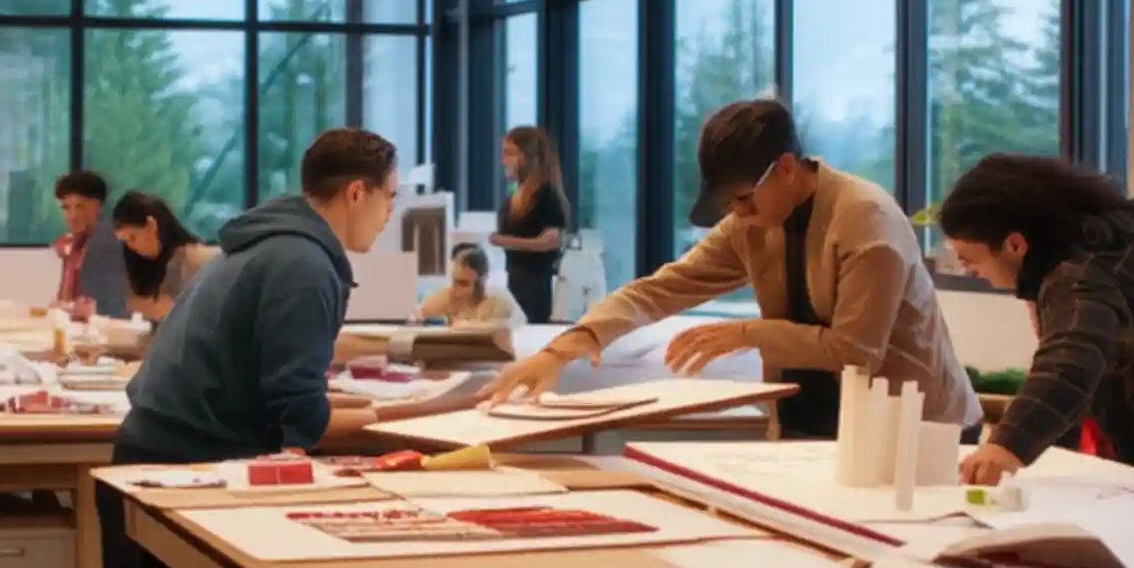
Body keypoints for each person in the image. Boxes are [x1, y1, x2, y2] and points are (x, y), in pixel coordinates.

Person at [109, 128, 402, 568]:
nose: (391, 214)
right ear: (356, 193)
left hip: (157, 450)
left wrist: (377, 408)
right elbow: (302, 417)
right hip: (192, 465)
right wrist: (411, 418)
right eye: (390, 198)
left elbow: (277, 390)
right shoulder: (305, 264)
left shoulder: (264, 243)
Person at [485, 99, 981, 440]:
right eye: (729, 203)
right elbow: (661, 289)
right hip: (812, 429)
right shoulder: (752, 220)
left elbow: (855, 350)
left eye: (744, 198)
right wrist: (565, 348)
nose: (737, 215)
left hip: (920, 436)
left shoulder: (865, 221)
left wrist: (746, 332)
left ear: (786, 168)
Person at [938, 154, 1134, 483]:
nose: (966, 269)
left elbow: (1071, 360)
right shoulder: (1111, 241)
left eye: (968, 258)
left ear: (1015, 244)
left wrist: (1004, 448)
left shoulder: (1080, 275)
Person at [490, 126, 571, 324]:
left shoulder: (545, 195)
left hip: (537, 288)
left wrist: (505, 241)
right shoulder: (517, 197)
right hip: (517, 282)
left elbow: (551, 241)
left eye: (509, 153)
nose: (504, 160)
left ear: (527, 156)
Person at [111, 191, 218, 322]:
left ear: (151, 224)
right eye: (125, 242)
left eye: (133, 237)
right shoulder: (140, 263)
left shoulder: (194, 259)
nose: (131, 246)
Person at [53, 171, 129, 319]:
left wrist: (73, 308)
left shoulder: (108, 241)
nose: (72, 216)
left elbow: (112, 306)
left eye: (80, 207)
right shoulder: (76, 245)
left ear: (99, 206)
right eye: (66, 208)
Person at [413, 244, 525, 326]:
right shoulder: (447, 296)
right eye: (454, 281)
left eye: (463, 283)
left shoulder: (499, 302)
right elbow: (417, 315)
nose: (456, 289)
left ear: (481, 281)